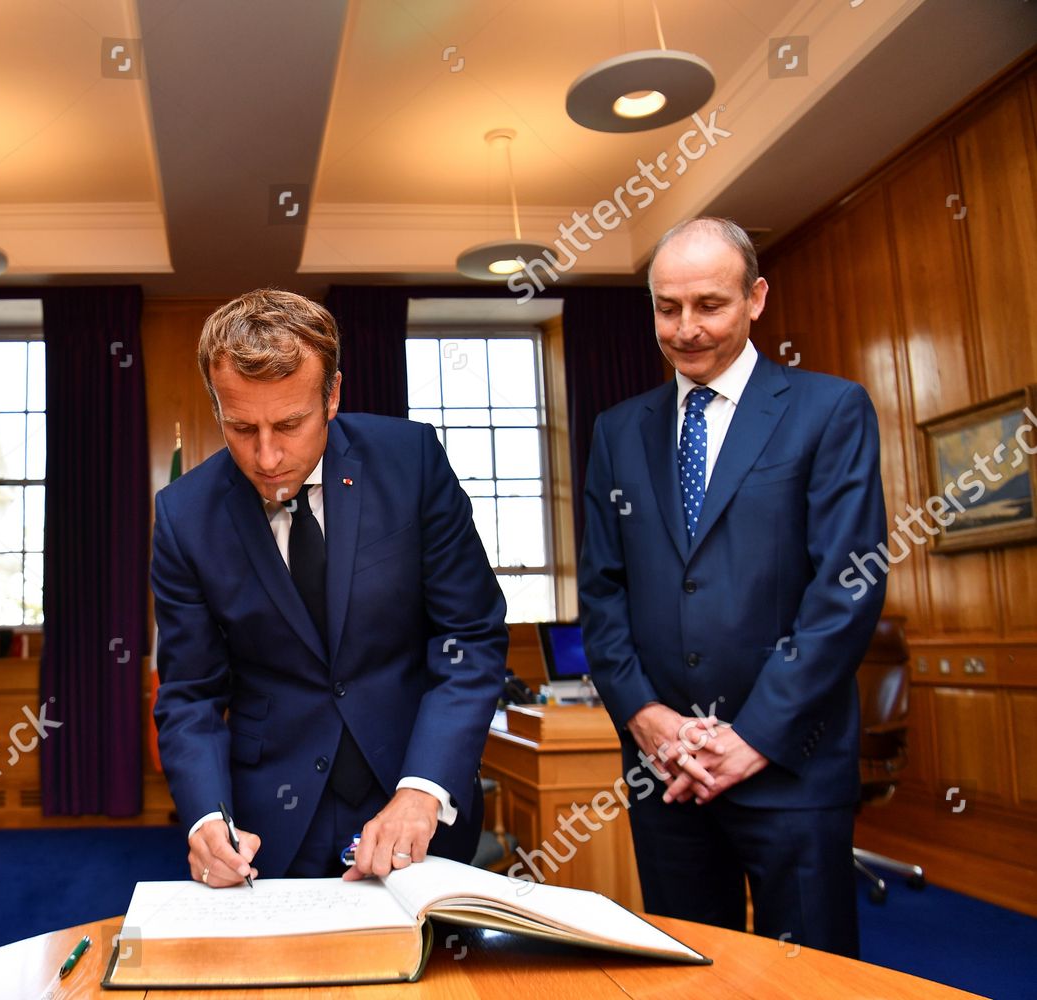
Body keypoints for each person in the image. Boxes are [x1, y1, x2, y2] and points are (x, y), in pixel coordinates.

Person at [578, 217, 887, 958]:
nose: (685, 330)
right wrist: (646, 718)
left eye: (709, 305)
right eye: (666, 308)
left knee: (808, 975)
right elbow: (602, 592)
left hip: (791, 762)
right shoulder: (618, 432)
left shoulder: (829, 410)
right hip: (667, 770)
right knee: (687, 968)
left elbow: (846, 591)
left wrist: (752, 738)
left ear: (756, 298)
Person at [152, 289, 507, 887]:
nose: (267, 457)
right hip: (270, 821)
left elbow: (468, 636)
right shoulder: (185, 515)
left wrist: (423, 788)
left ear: (333, 395)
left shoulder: (410, 461)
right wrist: (208, 818)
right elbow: (190, 692)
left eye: (289, 424)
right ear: (218, 408)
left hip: (412, 792)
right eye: (242, 428)